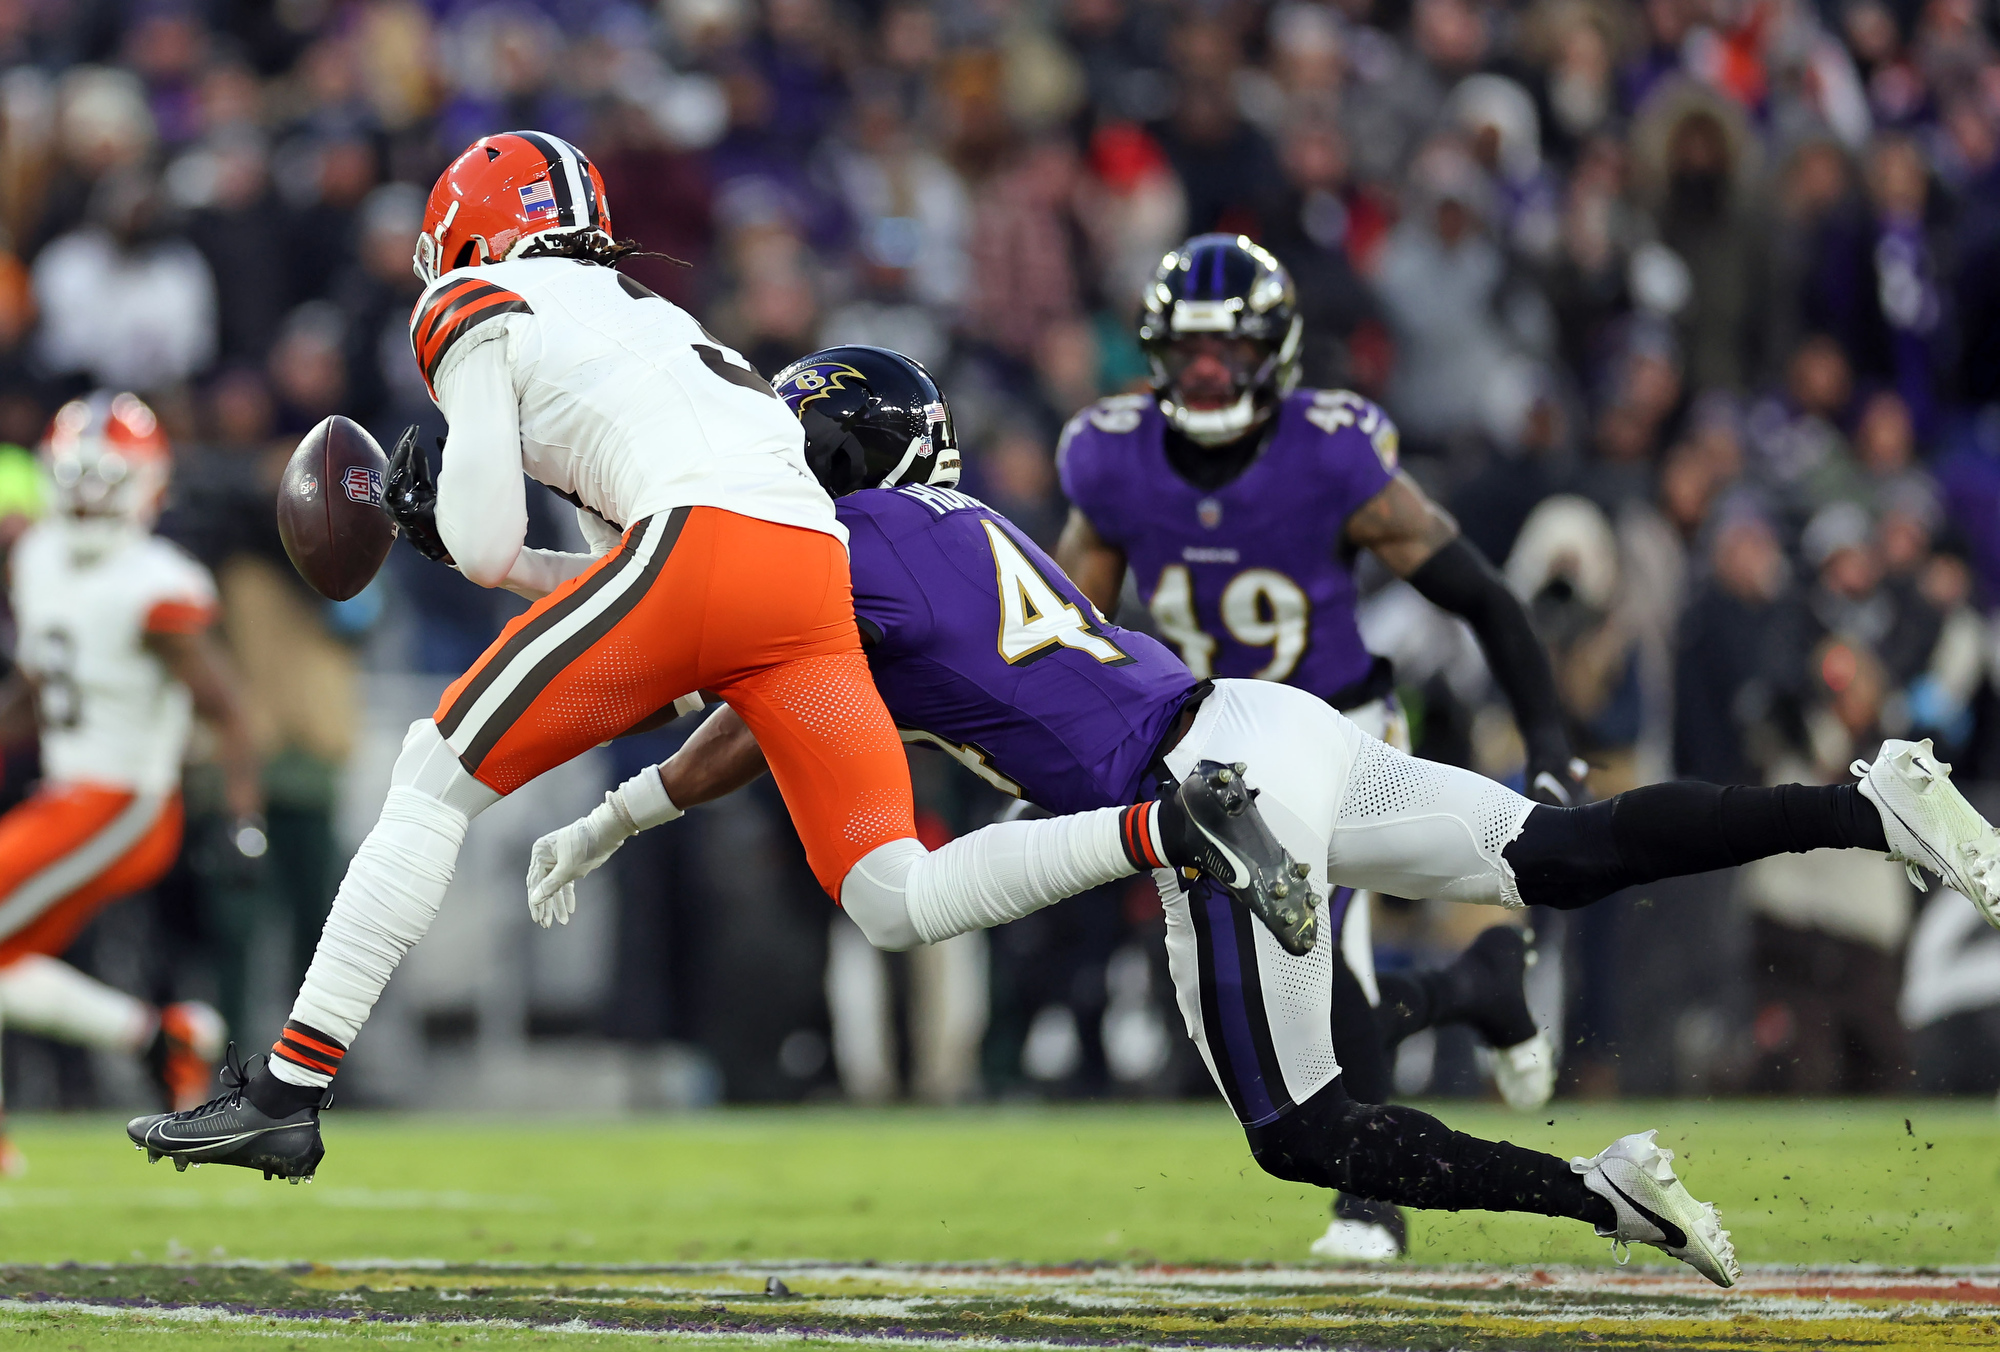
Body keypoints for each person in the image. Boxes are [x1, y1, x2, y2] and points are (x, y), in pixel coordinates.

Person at [525, 345, 2000, 1289]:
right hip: (1272, 720)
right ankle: (1866, 808)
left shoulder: (847, 553)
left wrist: (495, 563)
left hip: (1193, 797)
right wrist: (619, 820)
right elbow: (736, 704)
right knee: (1560, 854)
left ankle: (1601, 1194)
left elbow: (668, 630)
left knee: (1301, 1134)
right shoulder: (941, 532)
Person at [126, 134, 1302, 1181]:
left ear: (467, 236)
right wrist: (474, 537)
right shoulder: (658, 322)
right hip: (796, 570)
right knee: (890, 895)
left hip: (703, 550)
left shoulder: (471, 301)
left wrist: (436, 529)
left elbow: (525, 555)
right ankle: (1167, 827)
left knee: (433, 769)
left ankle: (285, 1090)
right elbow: (627, 591)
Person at [1052, 234, 1576, 1256]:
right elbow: (1072, 627)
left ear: (1275, 353)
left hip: (1336, 728)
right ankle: (1473, 987)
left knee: (1318, 961)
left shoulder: (1330, 454)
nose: (1205, 372)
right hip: (1206, 753)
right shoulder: (1110, 462)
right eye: (1187, 349)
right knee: (1242, 1020)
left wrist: (1548, 739)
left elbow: (1476, 593)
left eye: (1229, 349)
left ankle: (1369, 1204)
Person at [0, 393, 256, 1174]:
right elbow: (40, 689)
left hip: (126, 803)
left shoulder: (156, 582)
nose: (85, 493)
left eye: (104, 477)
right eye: (74, 476)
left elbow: (231, 711)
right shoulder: (36, 556)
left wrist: (244, 821)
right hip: (68, 795)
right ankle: (161, 1037)